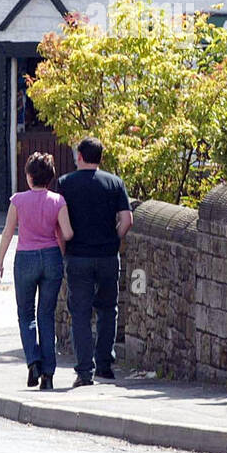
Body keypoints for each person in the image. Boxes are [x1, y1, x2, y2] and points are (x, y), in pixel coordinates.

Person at [0, 152, 74, 390]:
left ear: (29, 177)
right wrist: (58, 240)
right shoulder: (58, 201)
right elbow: (67, 233)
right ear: (50, 177)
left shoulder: (17, 200)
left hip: (25, 259)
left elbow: (8, 232)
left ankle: (33, 362)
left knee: (26, 314)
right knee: (46, 316)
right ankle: (48, 375)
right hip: (51, 258)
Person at [57, 137, 133, 387]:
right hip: (108, 255)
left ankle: (84, 372)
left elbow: (60, 222)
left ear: (79, 156)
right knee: (108, 309)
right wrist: (114, 239)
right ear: (100, 157)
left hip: (78, 256)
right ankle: (104, 365)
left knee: (79, 313)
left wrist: (64, 250)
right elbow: (127, 220)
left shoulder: (66, 184)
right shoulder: (114, 183)